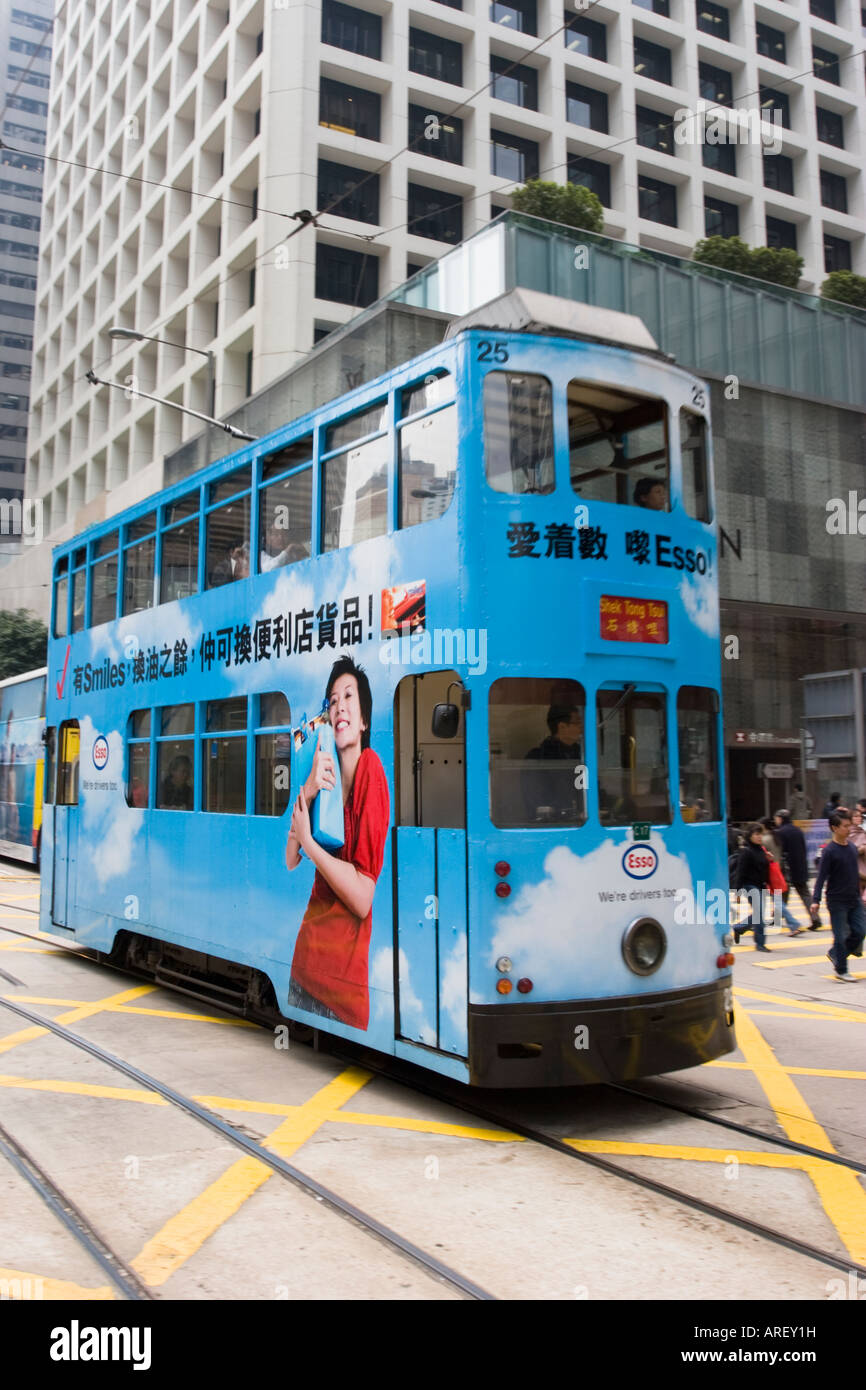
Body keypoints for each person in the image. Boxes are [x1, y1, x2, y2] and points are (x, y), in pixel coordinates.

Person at [286, 655, 390, 1030]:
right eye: (333, 700)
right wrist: (311, 789)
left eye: (349, 697)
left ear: (363, 720)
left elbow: (362, 899)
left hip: (339, 990)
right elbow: (290, 858)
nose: (340, 705)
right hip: (306, 967)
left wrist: (312, 845)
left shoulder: (371, 772)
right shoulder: (324, 775)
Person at [810, 808, 866, 981]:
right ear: (834, 828)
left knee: (860, 931)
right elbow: (821, 877)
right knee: (840, 936)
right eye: (844, 826)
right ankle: (841, 970)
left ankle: (836, 954)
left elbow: (853, 872)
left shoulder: (851, 847)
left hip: (854, 898)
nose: (848, 829)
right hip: (837, 901)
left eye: (849, 826)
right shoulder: (830, 851)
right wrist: (816, 900)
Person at [524, 705, 583, 822]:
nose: (582, 727)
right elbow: (536, 800)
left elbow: (584, 786)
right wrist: (566, 811)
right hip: (553, 822)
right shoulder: (538, 757)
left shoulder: (581, 755)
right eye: (577, 723)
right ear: (562, 726)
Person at [775, 808, 820, 928]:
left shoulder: (780, 832)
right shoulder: (798, 830)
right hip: (800, 867)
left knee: (783, 894)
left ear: (780, 819)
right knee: (805, 895)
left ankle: (777, 918)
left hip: (787, 869)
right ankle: (815, 919)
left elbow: (780, 852)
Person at [760, 816, 803, 935]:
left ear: (763, 826)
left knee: (776, 900)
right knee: (777, 899)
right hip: (778, 870)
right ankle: (777, 920)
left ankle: (793, 924)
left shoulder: (765, 839)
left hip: (770, 872)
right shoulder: (776, 837)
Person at [733, 822, 772, 950]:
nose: (759, 837)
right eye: (756, 834)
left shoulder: (762, 850)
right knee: (760, 914)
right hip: (749, 886)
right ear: (750, 835)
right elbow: (740, 872)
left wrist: (769, 861)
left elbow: (764, 870)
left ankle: (739, 928)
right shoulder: (746, 852)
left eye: (761, 834)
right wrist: (737, 891)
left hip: (761, 886)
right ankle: (760, 943)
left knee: (759, 914)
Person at [847, 806, 866, 907]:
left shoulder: (863, 832)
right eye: (855, 816)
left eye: (860, 816)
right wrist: (861, 849)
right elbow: (848, 851)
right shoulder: (847, 833)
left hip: (863, 868)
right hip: (854, 870)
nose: (858, 818)